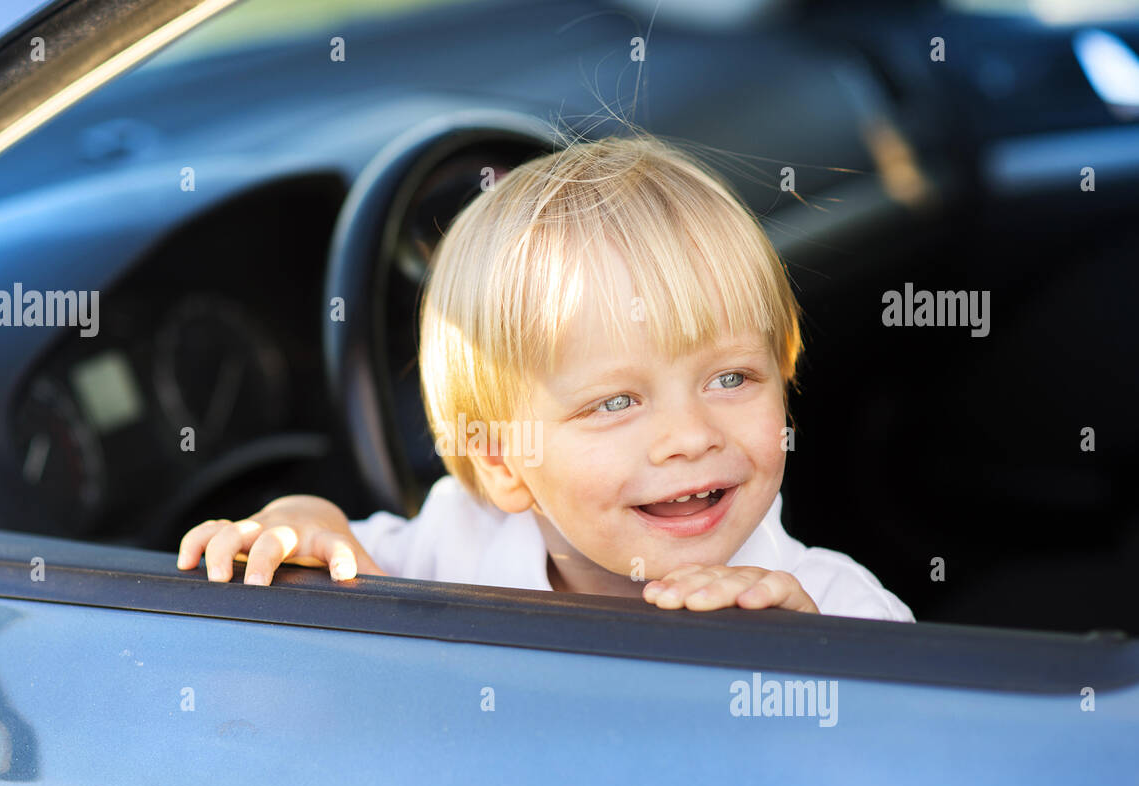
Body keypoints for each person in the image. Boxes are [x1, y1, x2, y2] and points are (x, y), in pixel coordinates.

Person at [177, 132, 913, 621]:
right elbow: (354, 560)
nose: (690, 436)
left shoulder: (835, 605)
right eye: (616, 400)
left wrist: (819, 665)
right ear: (501, 460)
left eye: (731, 378)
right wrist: (304, 522)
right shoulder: (461, 544)